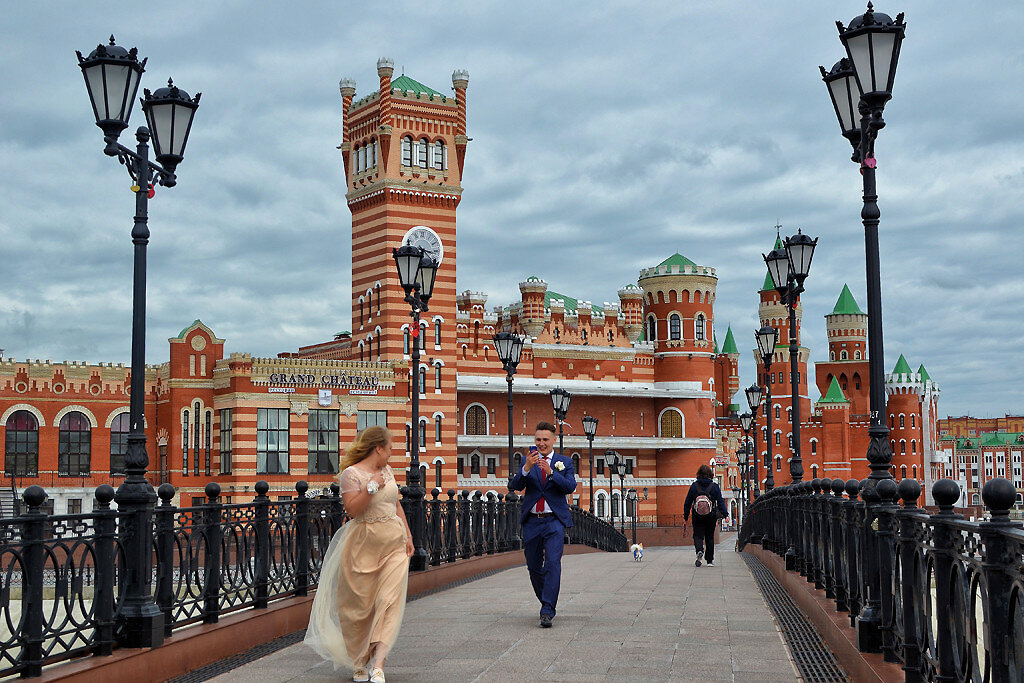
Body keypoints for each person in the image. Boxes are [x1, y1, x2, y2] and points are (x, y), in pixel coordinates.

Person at [305, 426, 414, 683]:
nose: (391, 454)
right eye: (389, 449)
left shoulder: (387, 471)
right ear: (378, 448)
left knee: (388, 602)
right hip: (363, 545)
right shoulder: (351, 475)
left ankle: (379, 664)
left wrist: (408, 536)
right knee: (359, 608)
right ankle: (359, 661)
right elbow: (353, 510)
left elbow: (396, 504)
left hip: (394, 544)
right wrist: (371, 488)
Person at [508, 421, 577, 627]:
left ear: (554, 440)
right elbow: (515, 486)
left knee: (553, 564)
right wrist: (526, 469)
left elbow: (570, 486)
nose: (541, 443)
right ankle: (546, 601)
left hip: (554, 521)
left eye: (545, 439)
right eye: (538, 439)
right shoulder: (527, 460)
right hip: (532, 521)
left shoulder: (564, 462)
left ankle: (547, 609)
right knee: (533, 566)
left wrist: (551, 472)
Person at [683, 464, 728, 567]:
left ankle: (699, 550)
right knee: (709, 537)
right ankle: (709, 560)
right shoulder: (714, 486)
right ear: (710, 474)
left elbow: (687, 503)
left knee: (698, 535)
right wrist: (725, 515)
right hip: (711, 516)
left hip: (697, 515)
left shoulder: (694, 486)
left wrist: (685, 517)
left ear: (698, 474)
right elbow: (720, 502)